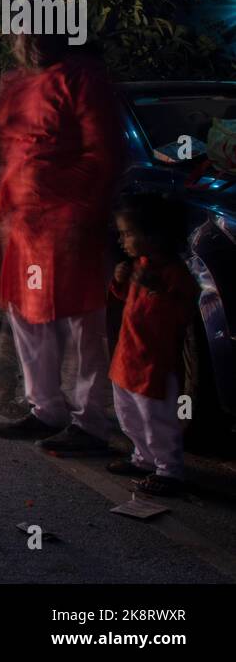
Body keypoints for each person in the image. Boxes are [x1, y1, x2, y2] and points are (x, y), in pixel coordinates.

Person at [0, 31, 124, 452]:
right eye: (22, 35)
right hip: (23, 227)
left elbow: (103, 153)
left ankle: (90, 423)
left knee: (83, 325)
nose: (29, 42)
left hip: (67, 225)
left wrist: (77, 211)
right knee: (27, 316)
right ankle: (46, 410)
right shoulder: (20, 82)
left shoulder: (82, 79)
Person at [106, 193, 197, 496]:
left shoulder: (173, 274)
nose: (123, 241)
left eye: (128, 233)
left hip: (154, 364)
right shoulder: (139, 265)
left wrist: (158, 289)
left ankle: (169, 469)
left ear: (154, 235)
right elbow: (127, 302)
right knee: (129, 414)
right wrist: (119, 282)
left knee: (157, 418)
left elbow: (182, 313)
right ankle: (143, 457)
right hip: (127, 358)